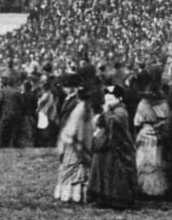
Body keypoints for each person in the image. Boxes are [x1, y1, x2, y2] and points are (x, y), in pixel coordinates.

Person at [87, 84, 138, 210]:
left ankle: (118, 199)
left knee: (116, 172)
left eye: (111, 99)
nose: (108, 102)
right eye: (107, 99)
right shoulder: (111, 110)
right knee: (101, 166)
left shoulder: (121, 110)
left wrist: (105, 115)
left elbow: (116, 122)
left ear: (118, 99)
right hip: (108, 144)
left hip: (119, 146)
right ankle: (102, 196)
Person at [54, 74, 93, 203]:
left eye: (67, 86)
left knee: (74, 165)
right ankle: (70, 192)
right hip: (67, 134)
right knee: (67, 163)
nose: (64, 89)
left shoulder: (77, 102)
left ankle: (74, 193)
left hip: (73, 135)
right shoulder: (68, 99)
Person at [134, 78, 169, 198]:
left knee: (143, 160)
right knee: (156, 160)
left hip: (145, 134)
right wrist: (159, 125)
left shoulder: (142, 104)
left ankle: (143, 187)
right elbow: (165, 120)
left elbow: (136, 122)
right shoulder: (163, 104)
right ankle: (156, 188)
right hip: (156, 135)